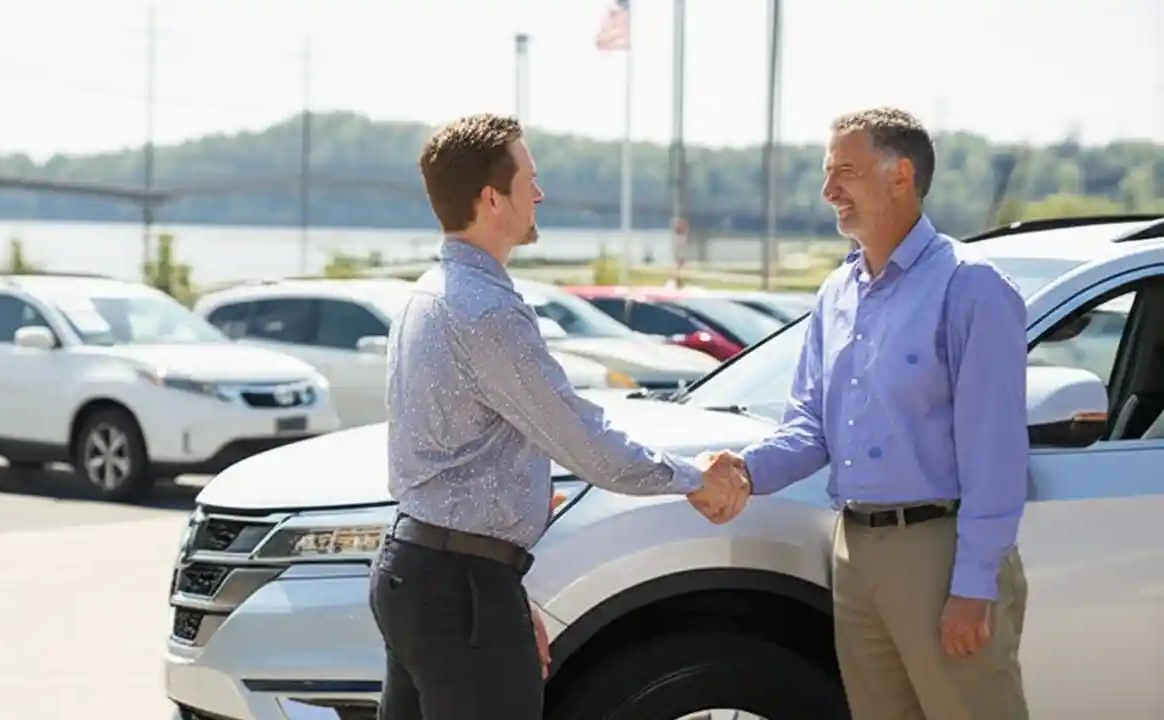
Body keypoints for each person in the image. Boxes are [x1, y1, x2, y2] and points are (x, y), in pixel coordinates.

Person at [368, 112, 750, 720]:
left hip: (418, 573)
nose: (540, 195)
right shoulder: (486, 312)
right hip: (462, 590)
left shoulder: (424, 295)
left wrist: (503, 595)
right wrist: (694, 479)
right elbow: (584, 442)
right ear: (492, 199)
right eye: (531, 181)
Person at [734, 107, 1030, 719]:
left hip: (940, 555)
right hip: (854, 551)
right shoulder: (835, 292)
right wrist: (741, 472)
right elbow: (810, 428)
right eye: (826, 172)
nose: (828, 191)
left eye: (845, 171)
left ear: (900, 177)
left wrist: (973, 587)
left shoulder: (972, 287)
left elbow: (995, 453)